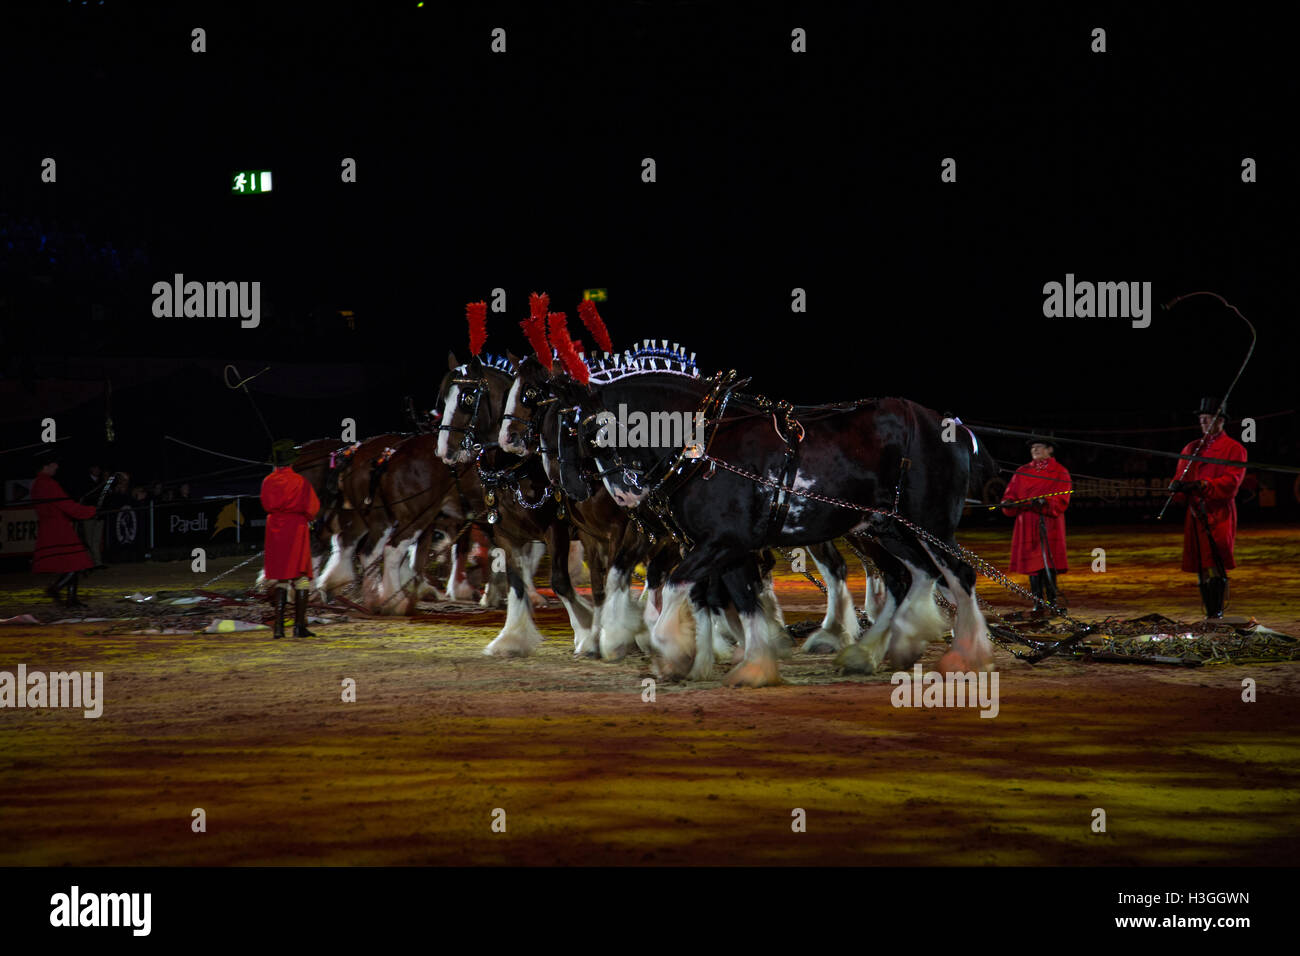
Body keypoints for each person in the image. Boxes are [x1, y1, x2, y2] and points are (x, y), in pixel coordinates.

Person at [1169, 397, 1247, 619]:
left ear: (1221, 420)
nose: (1203, 420)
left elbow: (1232, 481)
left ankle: (1217, 612)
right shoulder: (1192, 448)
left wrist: (1204, 485)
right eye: (1202, 417)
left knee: (1215, 560)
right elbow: (1181, 474)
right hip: (1195, 514)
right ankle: (1208, 612)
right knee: (1201, 564)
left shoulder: (1234, 449)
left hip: (1218, 513)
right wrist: (1178, 487)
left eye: (1209, 417)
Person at [1001, 436, 1072, 618]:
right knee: (1032, 565)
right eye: (1033, 447)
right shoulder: (1022, 471)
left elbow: (1062, 499)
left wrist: (1045, 501)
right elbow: (1011, 494)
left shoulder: (1060, 472)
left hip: (1049, 524)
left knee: (1048, 561)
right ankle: (1038, 603)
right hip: (1027, 524)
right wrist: (1008, 503)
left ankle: (1053, 602)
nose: (1035, 450)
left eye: (1039, 447)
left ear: (1050, 450)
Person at [261, 439, 321, 639]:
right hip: (296, 528)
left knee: (281, 578)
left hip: (275, 529)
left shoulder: (268, 481)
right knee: (301, 577)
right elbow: (312, 508)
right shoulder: (300, 482)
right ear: (292, 462)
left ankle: (279, 628)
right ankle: (299, 626)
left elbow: (266, 504)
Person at [30, 452, 99, 607]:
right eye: (54, 464)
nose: (57, 466)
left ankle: (71, 599)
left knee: (72, 564)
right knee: (77, 563)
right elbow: (66, 505)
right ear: (46, 466)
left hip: (51, 527)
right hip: (58, 529)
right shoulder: (47, 483)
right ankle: (56, 589)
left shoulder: (37, 484)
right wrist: (90, 511)